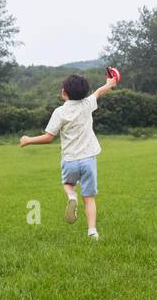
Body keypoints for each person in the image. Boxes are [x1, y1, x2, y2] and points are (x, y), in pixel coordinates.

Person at [20, 71, 119, 240]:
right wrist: (111, 82)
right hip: (88, 159)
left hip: (70, 160)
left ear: (64, 92)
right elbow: (100, 91)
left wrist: (29, 140)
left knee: (68, 184)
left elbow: (48, 137)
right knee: (89, 198)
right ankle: (92, 232)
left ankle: (71, 196)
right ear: (84, 92)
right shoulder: (87, 104)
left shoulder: (59, 112)